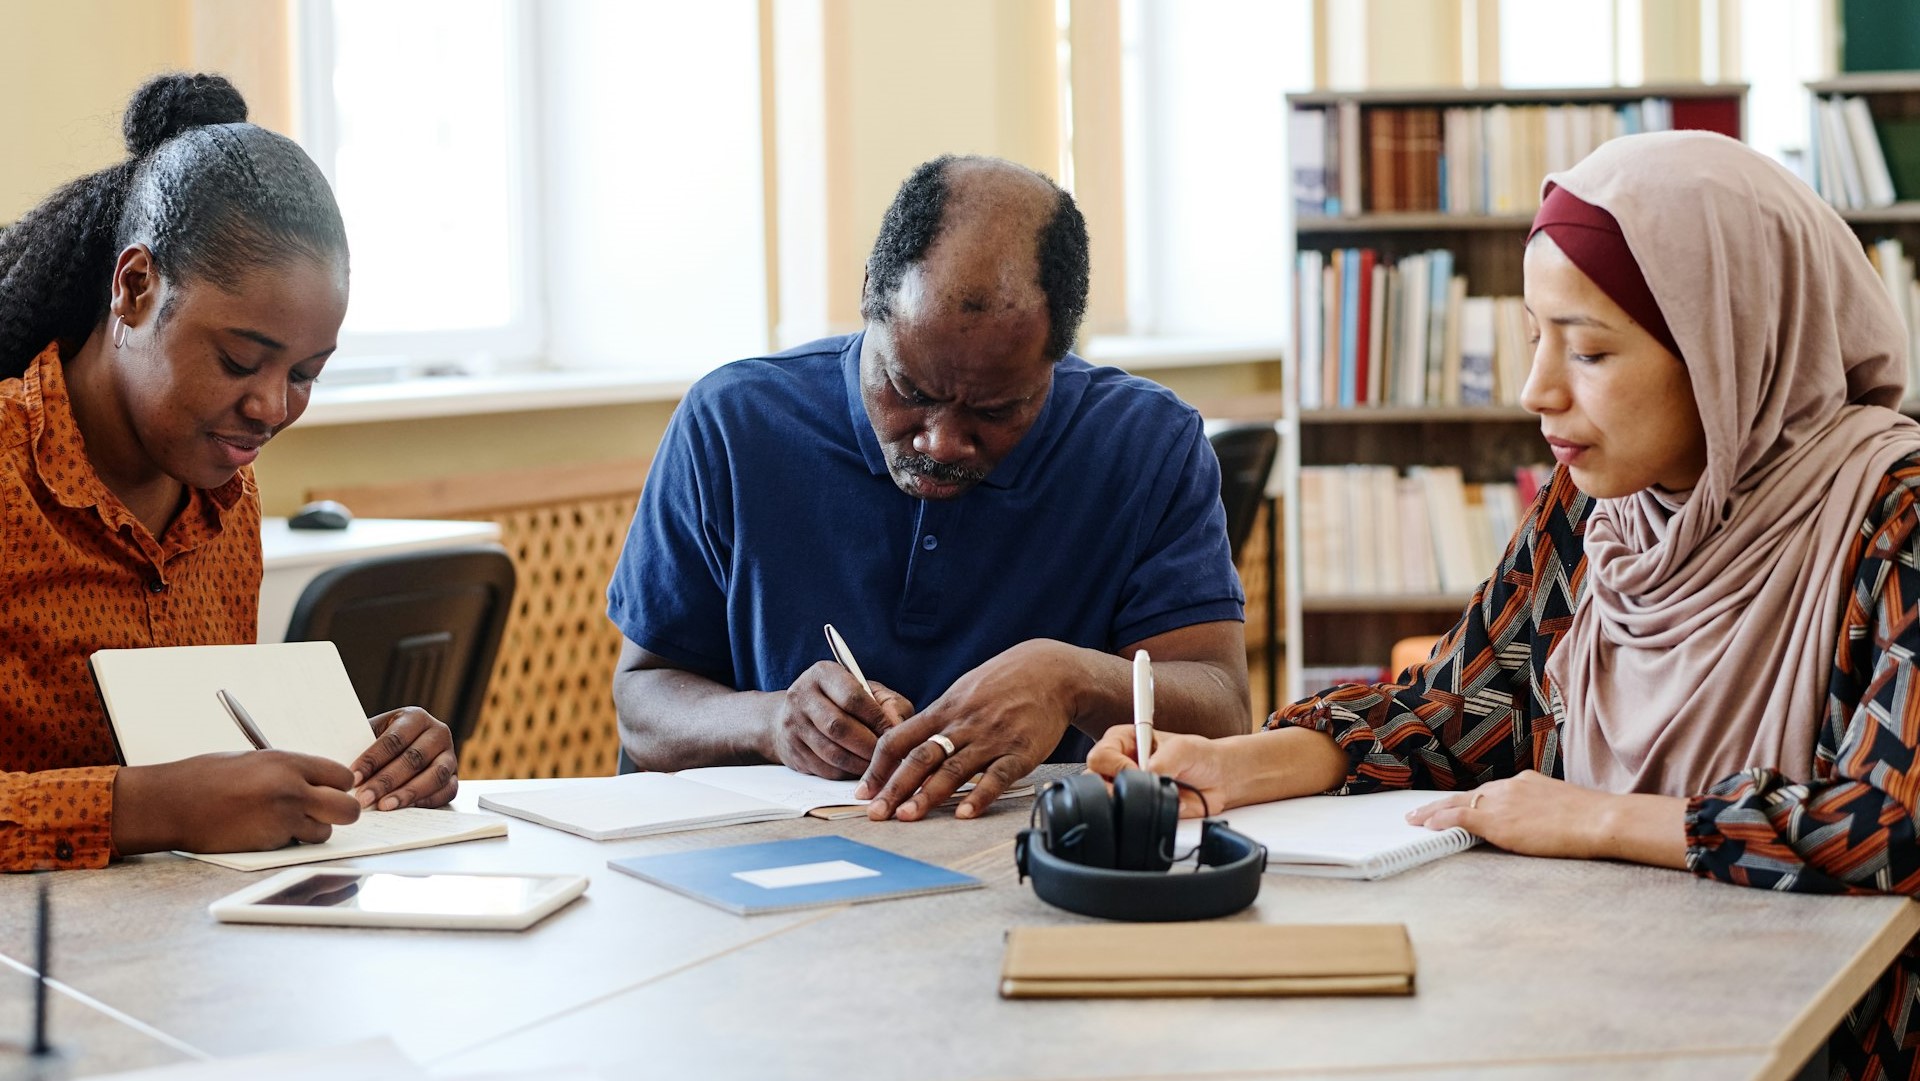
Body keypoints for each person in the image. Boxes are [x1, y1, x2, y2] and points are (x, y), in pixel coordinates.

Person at [1090, 130, 1920, 1078]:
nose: (1537, 390)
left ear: (1732, 347)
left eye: (1590, 350)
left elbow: (1891, 828)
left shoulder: (1896, 515)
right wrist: (1235, 767)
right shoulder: (1598, 507)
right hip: (1605, 1005)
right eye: (1533, 338)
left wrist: (1597, 819)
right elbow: (1467, 708)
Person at [608, 155, 1249, 822]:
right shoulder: (733, 423)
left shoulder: (1147, 445)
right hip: (775, 853)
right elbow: (643, 702)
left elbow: (1223, 708)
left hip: (1037, 854)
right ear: (869, 294)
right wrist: (769, 721)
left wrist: (1070, 678)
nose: (941, 443)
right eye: (909, 389)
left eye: (996, 410)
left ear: (1056, 357)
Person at [0, 73, 459, 872]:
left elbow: (201, 756)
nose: (272, 407)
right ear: (135, 288)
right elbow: (173, 798)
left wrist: (352, 761)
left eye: (306, 374)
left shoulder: (226, 493)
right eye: (240, 361)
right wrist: (147, 807)